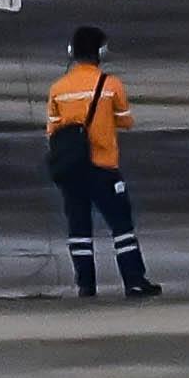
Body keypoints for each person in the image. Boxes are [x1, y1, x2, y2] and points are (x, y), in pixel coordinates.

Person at [42, 26, 161, 301]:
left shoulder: (57, 89)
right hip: (103, 167)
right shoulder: (110, 85)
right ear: (100, 52)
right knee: (121, 227)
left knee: (79, 230)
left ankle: (86, 285)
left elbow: (52, 130)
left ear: (71, 52)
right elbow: (126, 120)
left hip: (71, 171)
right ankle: (133, 281)